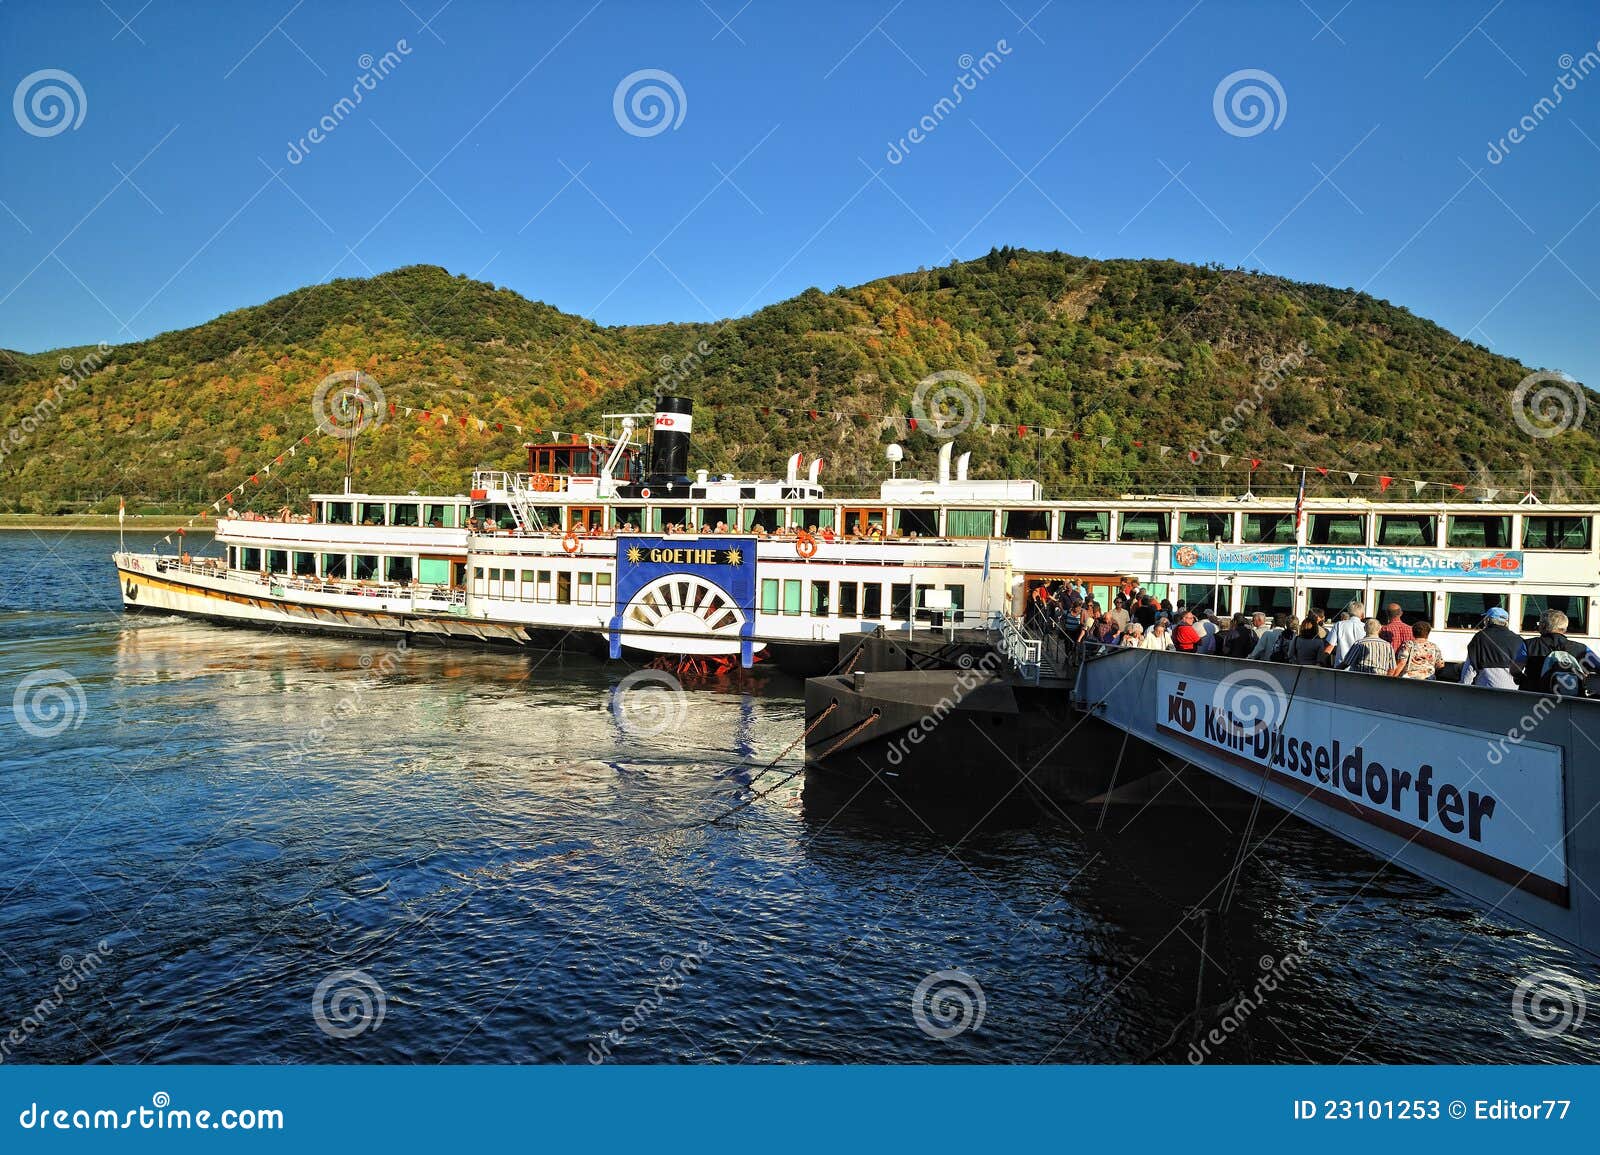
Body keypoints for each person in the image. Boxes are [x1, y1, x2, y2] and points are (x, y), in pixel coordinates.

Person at [1515, 609, 1597, 696]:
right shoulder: (1582, 648)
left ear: (1543, 626)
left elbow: (1515, 669)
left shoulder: (1528, 644)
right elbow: (1597, 667)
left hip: (1534, 696)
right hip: (1572, 699)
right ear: (1564, 628)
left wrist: (1520, 678)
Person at [1460, 607, 1522, 689]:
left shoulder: (1480, 637)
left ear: (1488, 620)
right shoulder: (1518, 640)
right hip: (1513, 692)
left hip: (1487, 692)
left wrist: (1463, 687)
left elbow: (1470, 668)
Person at [1323, 600, 1366, 667]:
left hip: (1340, 667)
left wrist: (1321, 663)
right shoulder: (1365, 627)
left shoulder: (1339, 625)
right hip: (1358, 668)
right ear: (1362, 615)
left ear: (1348, 613)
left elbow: (1329, 647)